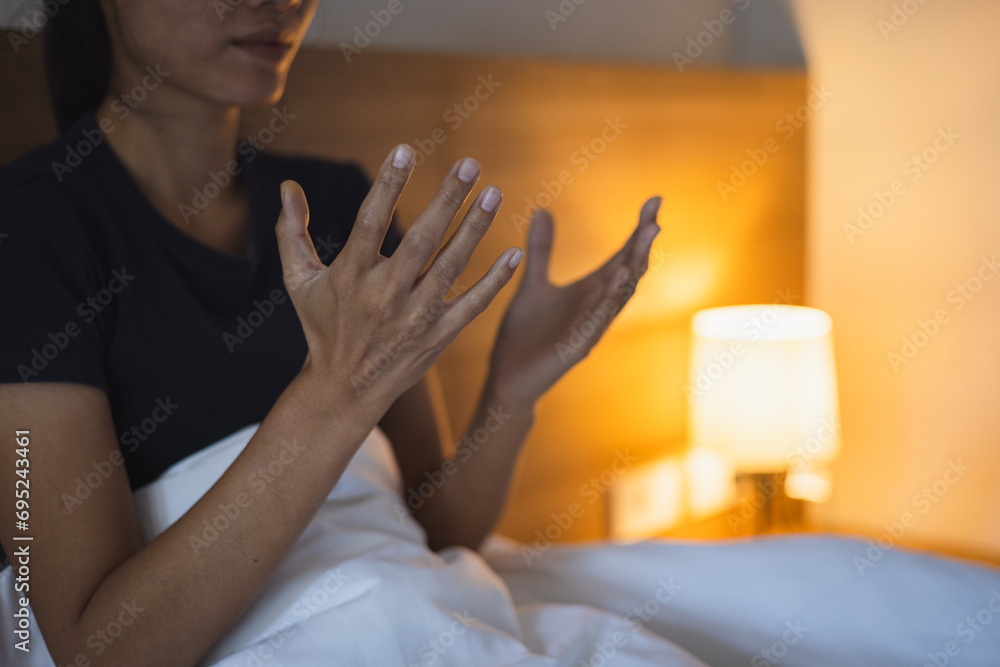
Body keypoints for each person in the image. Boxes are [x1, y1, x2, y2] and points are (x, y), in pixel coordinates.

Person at [0, 0, 660, 664]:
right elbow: (91, 650)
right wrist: (332, 395)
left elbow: (431, 527)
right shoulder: (27, 232)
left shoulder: (340, 206)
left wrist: (511, 395)